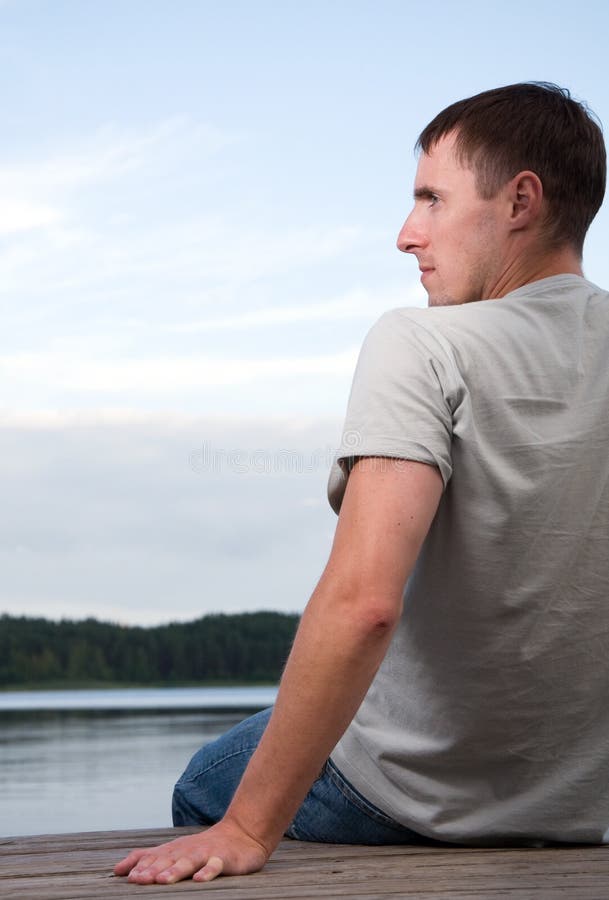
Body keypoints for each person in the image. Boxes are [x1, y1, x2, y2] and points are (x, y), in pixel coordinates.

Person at [115, 82, 609, 885]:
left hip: (407, 798)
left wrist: (245, 827)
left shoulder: (421, 343)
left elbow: (364, 604)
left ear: (520, 200)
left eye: (431, 199)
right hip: (579, 809)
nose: (405, 235)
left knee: (209, 781)